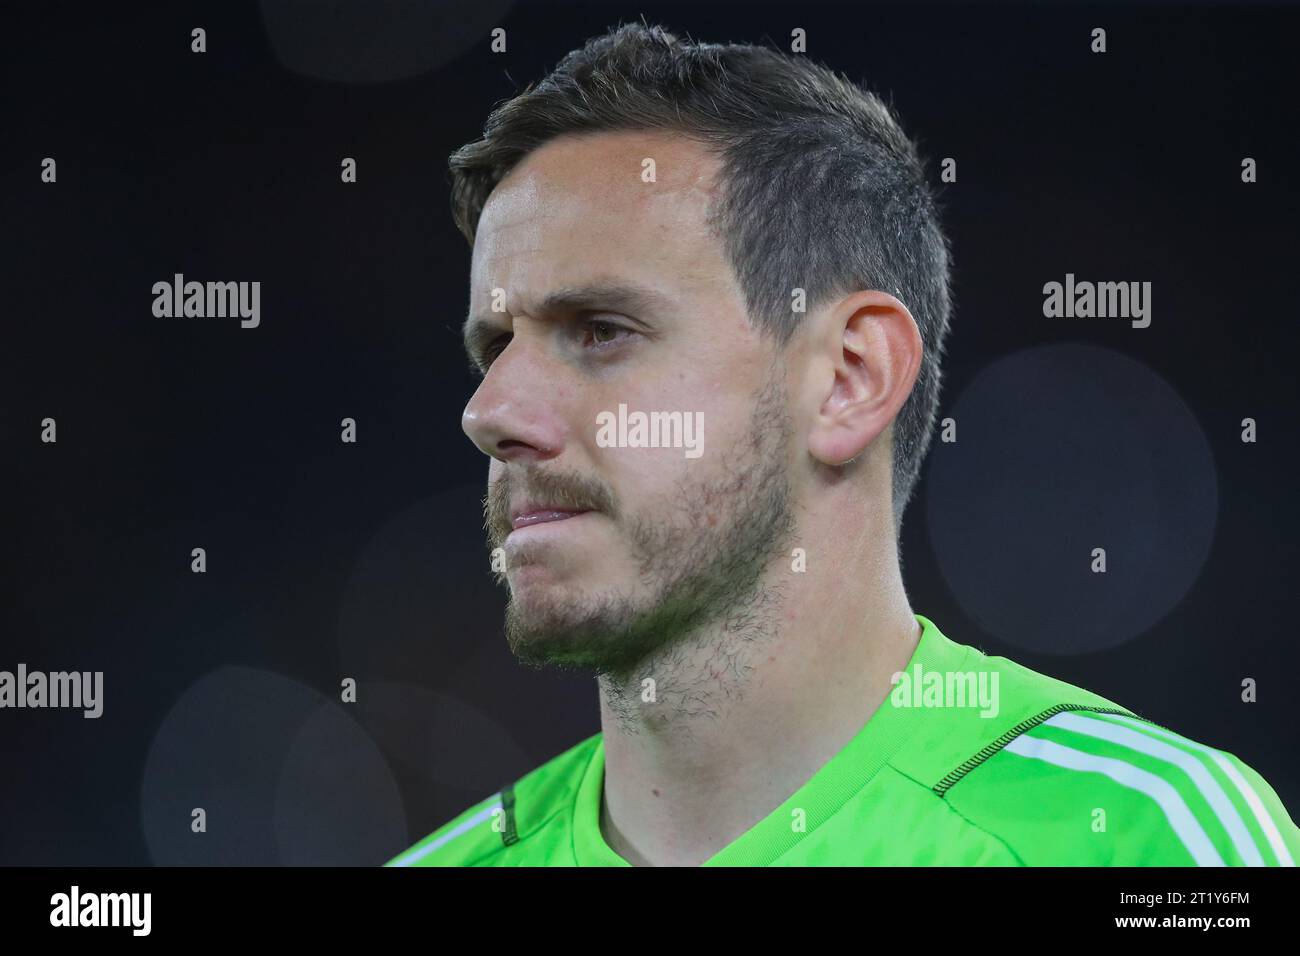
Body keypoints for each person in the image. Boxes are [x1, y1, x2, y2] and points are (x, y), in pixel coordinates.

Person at [387, 23, 1299, 866]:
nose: (490, 410)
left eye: (600, 330)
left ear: (850, 377)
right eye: (495, 346)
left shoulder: (1150, 842)